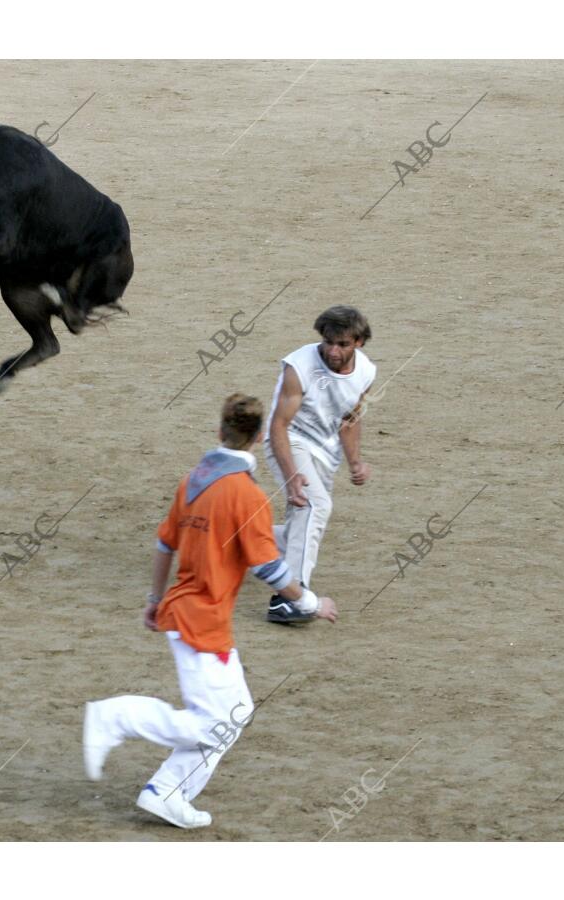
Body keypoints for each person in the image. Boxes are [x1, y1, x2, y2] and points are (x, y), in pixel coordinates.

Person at [82, 394, 336, 829]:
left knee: (235, 711)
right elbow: (268, 568)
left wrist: (153, 598)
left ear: (219, 432)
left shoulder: (193, 480)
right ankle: (116, 717)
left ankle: (167, 793)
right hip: (203, 622)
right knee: (215, 723)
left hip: (185, 611)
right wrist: (310, 602)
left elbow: (165, 543)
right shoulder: (248, 495)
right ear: (258, 438)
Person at [264, 305, 376, 624]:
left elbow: (350, 419)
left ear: (359, 343)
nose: (333, 350)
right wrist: (291, 474)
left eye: (342, 344)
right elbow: (278, 425)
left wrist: (355, 462)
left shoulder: (366, 373)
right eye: (328, 342)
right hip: (289, 441)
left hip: (324, 451)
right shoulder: (298, 367)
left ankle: (231, 539)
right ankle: (290, 598)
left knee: (305, 521)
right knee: (314, 505)